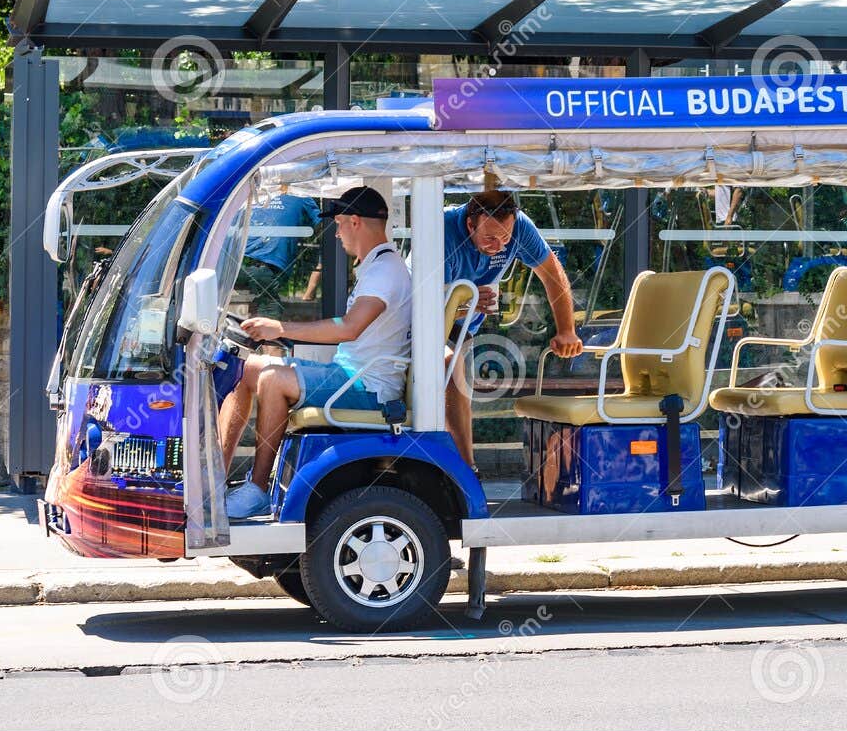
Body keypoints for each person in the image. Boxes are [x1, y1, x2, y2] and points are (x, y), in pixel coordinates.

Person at [219, 187, 411, 519]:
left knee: (272, 379)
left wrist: (280, 328)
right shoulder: (375, 266)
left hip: (368, 388)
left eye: (338, 224)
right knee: (246, 367)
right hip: (350, 375)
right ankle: (216, 479)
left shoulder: (385, 272)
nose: (336, 234)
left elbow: (349, 327)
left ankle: (258, 490)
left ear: (354, 222)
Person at [444, 190, 582, 467]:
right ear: (470, 224)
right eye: (490, 239)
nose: (499, 246)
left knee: (453, 367)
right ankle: (467, 471)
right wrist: (461, 301)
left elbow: (551, 273)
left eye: (505, 239)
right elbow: (419, 301)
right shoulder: (442, 230)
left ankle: (456, 467)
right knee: (449, 364)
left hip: (461, 330)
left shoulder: (520, 227)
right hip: (421, 323)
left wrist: (567, 330)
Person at [235, 184, 320, 319]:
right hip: (269, 265)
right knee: (269, 311)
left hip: (235, 264)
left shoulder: (252, 192)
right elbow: (323, 225)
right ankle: (267, 336)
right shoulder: (301, 195)